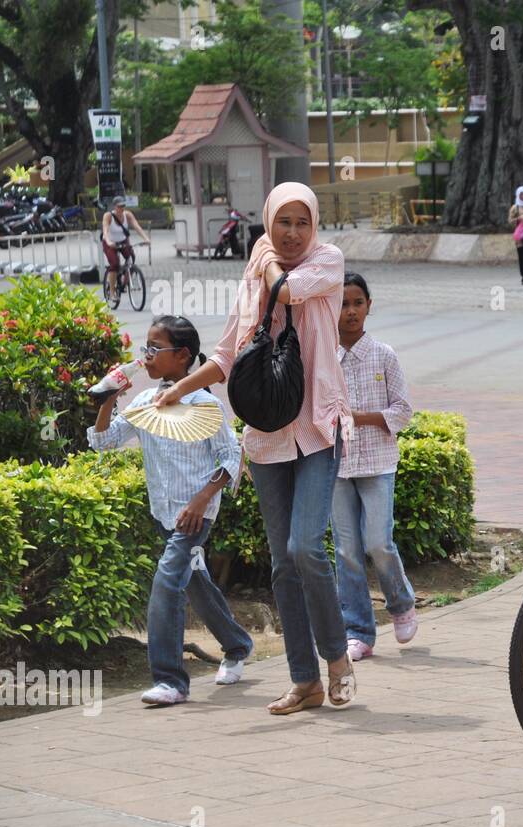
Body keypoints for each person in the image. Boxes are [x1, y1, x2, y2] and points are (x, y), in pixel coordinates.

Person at [156, 182, 356, 716]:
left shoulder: (328, 262)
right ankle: (304, 680)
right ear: (267, 220)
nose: (291, 233)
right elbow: (226, 354)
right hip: (267, 437)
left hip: (317, 426)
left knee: (305, 549)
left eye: (301, 223)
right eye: (281, 223)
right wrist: (175, 391)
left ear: (314, 226)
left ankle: (337, 658)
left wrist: (265, 259)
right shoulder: (253, 277)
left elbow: (289, 291)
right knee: (282, 565)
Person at [89, 316, 252, 706]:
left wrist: (202, 499)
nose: (145, 356)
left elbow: (232, 457)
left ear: (182, 356)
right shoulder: (145, 403)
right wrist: (110, 397)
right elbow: (103, 442)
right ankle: (237, 644)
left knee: (167, 583)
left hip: (194, 517)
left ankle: (170, 680)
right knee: (195, 583)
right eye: (145, 348)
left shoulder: (204, 403)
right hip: (164, 514)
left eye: (154, 349)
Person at [333, 272, 419, 661]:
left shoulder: (385, 355)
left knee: (378, 543)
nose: (350, 312)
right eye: (342, 304)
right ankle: (358, 632)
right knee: (347, 551)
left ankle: (400, 605)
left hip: (379, 462)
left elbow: (403, 410)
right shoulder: (320, 359)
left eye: (358, 303)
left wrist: (360, 417)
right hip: (334, 467)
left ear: (369, 305)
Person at [100, 196, 150, 298]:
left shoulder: (127, 215)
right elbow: (105, 230)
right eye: (119, 206)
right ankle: (112, 291)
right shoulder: (108, 216)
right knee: (114, 264)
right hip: (110, 242)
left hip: (123, 241)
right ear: (115, 207)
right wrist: (109, 242)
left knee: (131, 258)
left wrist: (146, 238)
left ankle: (125, 281)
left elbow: (137, 226)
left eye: (123, 206)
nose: (122, 208)